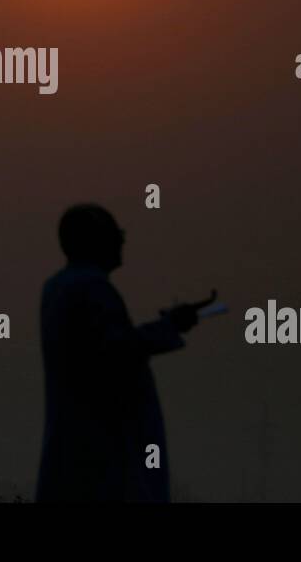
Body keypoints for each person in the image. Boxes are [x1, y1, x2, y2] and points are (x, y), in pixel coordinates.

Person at [36, 204, 202, 502]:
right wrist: (169, 327)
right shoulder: (92, 288)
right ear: (96, 240)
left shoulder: (57, 287)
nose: (122, 242)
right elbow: (119, 352)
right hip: (101, 457)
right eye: (116, 234)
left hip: (73, 450)